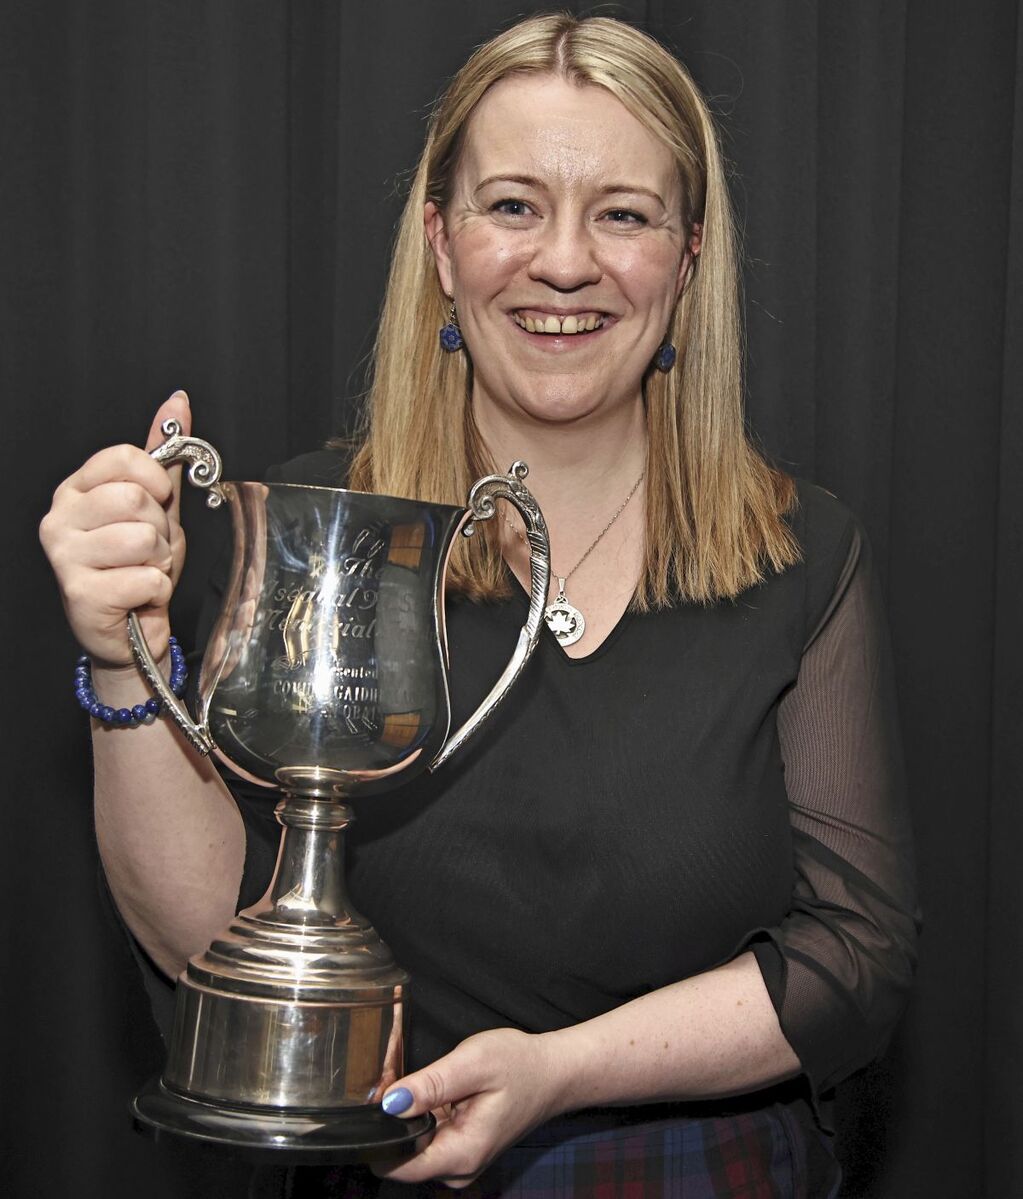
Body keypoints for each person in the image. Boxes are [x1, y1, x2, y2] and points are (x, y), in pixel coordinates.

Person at [39, 13, 919, 1198]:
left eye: (624, 214)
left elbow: (857, 953)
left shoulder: (802, 554)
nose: (565, 262)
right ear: (440, 243)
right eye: (513, 205)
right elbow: (210, 941)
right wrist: (124, 658)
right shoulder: (318, 527)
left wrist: (560, 1070)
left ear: (688, 260)